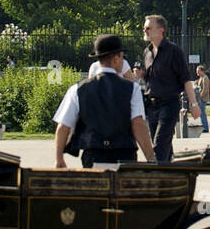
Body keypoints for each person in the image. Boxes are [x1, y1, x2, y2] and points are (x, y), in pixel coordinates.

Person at [54, 34, 154, 168]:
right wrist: (150, 157)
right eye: (122, 56)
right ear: (115, 58)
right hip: (124, 153)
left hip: (93, 152)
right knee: (121, 188)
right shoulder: (132, 89)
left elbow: (63, 126)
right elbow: (138, 124)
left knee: (96, 188)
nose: (123, 61)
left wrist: (59, 158)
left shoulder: (78, 89)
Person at [139, 15, 201, 164]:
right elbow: (151, 79)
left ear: (161, 30)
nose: (145, 30)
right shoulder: (147, 52)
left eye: (148, 28)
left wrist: (194, 104)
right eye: (144, 28)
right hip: (151, 105)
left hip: (169, 104)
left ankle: (157, 179)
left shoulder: (173, 51)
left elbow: (186, 79)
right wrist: (142, 75)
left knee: (159, 145)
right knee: (163, 146)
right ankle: (170, 176)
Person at [192, 64, 210, 134]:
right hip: (201, 98)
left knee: (202, 113)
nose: (197, 72)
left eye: (198, 71)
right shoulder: (201, 78)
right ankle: (204, 127)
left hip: (203, 99)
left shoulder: (205, 78)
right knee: (201, 113)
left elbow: (205, 90)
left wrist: (200, 97)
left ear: (202, 71)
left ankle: (205, 128)